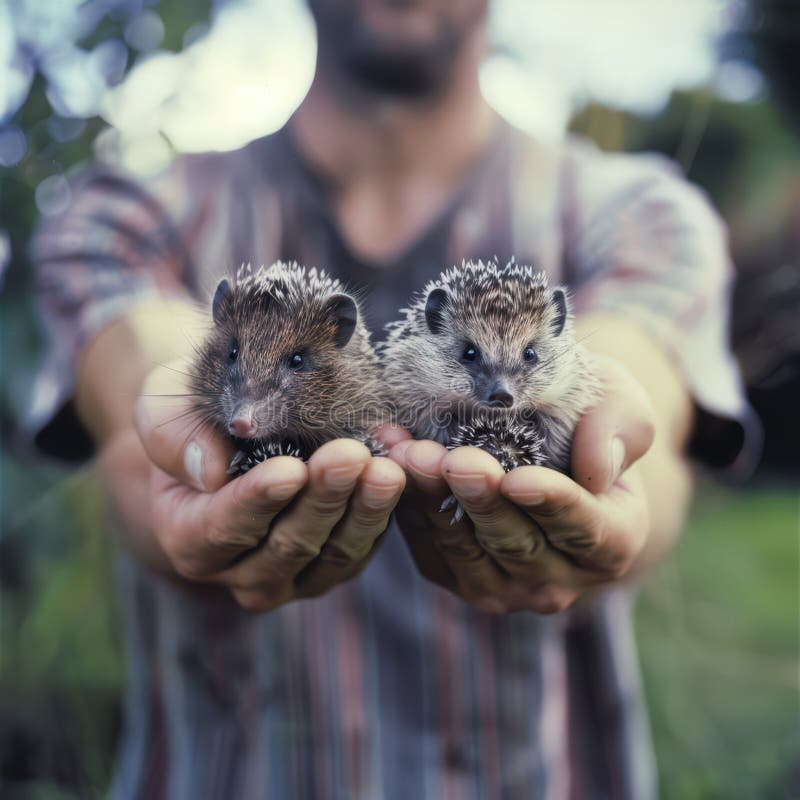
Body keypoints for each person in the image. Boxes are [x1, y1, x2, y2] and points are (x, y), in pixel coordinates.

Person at [30, 0, 755, 797]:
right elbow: (143, 398)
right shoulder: (116, 214)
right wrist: (184, 435)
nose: (501, 390)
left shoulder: (646, 213)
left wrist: (611, 465)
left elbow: (638, 399)